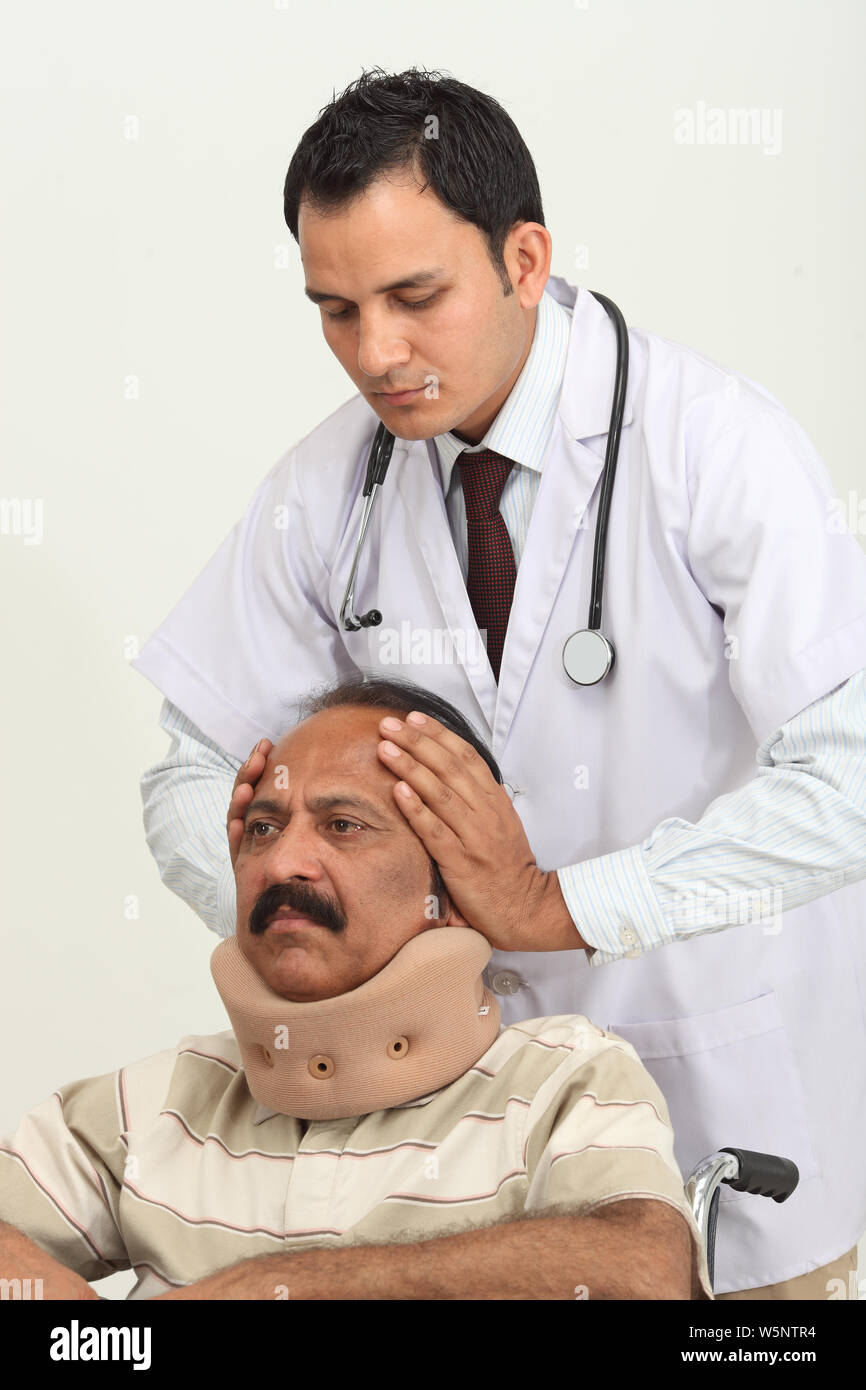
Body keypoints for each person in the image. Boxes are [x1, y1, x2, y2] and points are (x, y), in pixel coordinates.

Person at [131, 67, 866, 1298]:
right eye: (334, 309)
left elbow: (847, 778)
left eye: (415, 297)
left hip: (724, 1119)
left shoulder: (714, 447)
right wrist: (327, 918)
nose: (376, 353)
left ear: (523, 258)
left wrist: (558, 905)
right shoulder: (330, 487)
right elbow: (182, 773)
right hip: (445, 1157)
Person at [0, 677, 711, 1301]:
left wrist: (263, 1289)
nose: (283, 861)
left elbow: (641, 1275)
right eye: (262, 828)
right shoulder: (144, 1105)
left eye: (343, 826)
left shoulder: (565, 1082)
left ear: (456, 884)